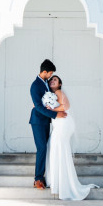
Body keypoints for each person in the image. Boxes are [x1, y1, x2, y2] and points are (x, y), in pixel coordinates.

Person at [45, 75, 98, 201]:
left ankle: (64, 185)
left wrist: (52, 109)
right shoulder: (51, 94)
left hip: (64, 123)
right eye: (51, 80)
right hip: (59, 123)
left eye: (55, 80)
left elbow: (66, 106)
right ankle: (59, 182)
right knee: (56, 148)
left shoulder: (59, 92)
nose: (52, 81)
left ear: (59, 84)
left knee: (60, 149)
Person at [29, 58, 66, 189]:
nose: (51, 76)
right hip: (38, 121)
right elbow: (38, 107)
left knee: (46, 148)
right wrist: (56, 114)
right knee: (42, 148)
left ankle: (43, 176)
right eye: (50, 73)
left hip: (46, 121)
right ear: (44, 72)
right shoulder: (35, 85)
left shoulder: (45, 83)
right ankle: (37, 179)